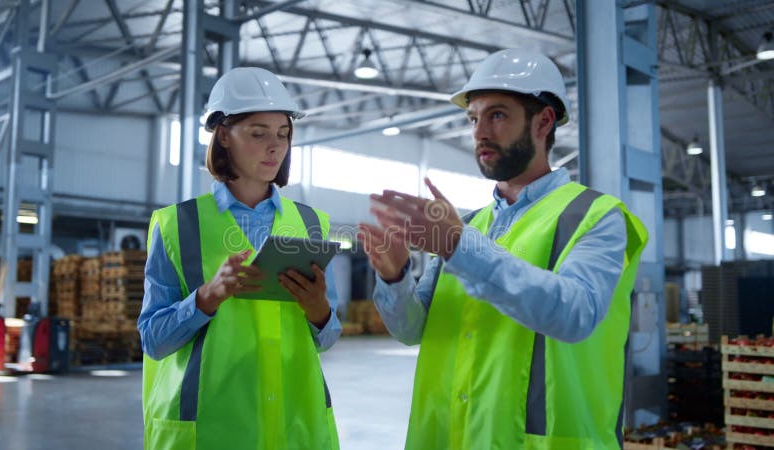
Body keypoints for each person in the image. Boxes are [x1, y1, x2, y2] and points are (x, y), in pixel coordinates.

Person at [358, 48, 648, 449]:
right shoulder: (469, 225)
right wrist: (394, 276)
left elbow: (576, 314)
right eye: (474, 117)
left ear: (544, 121)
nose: (479, 132)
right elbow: (412, 330)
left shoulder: (596, 216)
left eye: (497, 115)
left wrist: (459, 246)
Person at [138, 67, 341, 449]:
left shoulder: (313, 224)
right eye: (258, 133)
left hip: (295, 424)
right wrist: (204, 299)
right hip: (213, 426)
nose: (274, 147)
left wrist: (319, 311)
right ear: (224, 136)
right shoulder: (177, 225)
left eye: (283, 135)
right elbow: (153, 340)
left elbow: (328, 336)